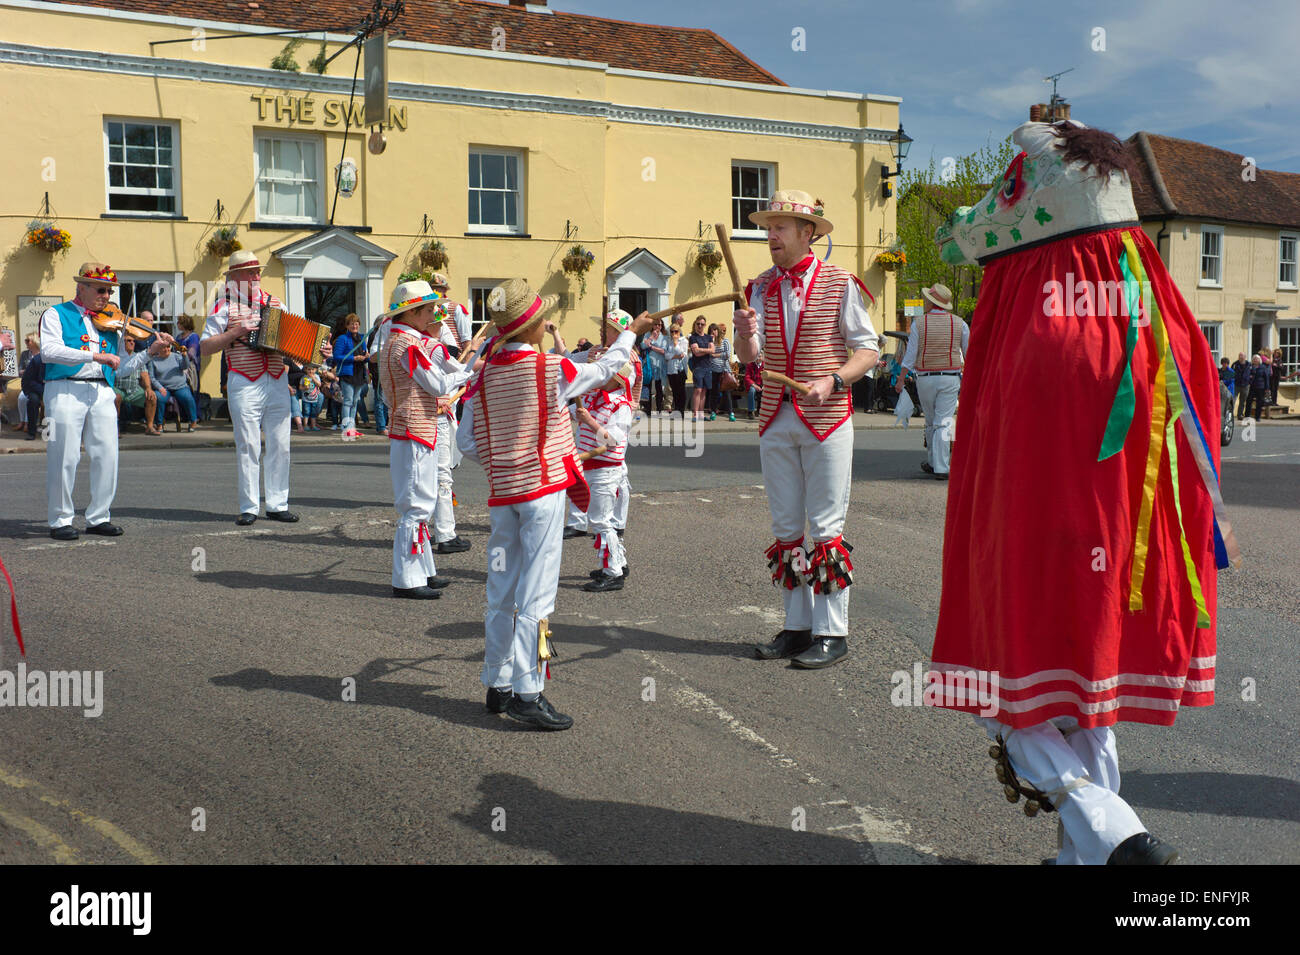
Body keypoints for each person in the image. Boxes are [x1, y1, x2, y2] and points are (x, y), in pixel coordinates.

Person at [927, 120, 1233, 864]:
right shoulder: (1152, 297)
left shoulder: (1038, 296)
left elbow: (960, 239)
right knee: (1082, 684)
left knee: (1005, 675)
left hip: (1050, 510)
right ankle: (1081, 856)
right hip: (1116, 529)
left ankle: (1109, 830)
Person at [457, 279, 650, 731]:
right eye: (542, 317)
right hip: (541, 492)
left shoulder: (482, 374)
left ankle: (497, 684)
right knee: (537, 593)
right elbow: (607, 370)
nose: (548, 322)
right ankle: (528, 692)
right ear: (530, 327)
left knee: (501, 588)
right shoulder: (550, 368)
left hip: (503, 493)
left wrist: (504, 457)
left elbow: (467, 442)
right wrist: (631, 333)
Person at [733, 189, 880, 669]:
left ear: (807, 233)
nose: (770, 234)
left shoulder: (841, 283)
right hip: (775, 414)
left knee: (825, 526)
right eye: (768, 226)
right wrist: (742, 330)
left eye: (781, 226)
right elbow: (750, 358)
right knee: (786, 526)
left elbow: (868, 349)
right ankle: (797, 628)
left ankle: (832, 633)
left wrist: (833, 379)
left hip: (827, 417)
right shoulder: (758, 287)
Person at [41, 262, 176, 539]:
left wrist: (149, 352)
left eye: (110, 291)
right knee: (64, 456)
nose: (107, 296)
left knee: (107, 455)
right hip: (65, 389)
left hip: (102, 390)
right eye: (101, 290)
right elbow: (49, 351)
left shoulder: (110, 324)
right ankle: (60, 519)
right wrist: (93, 356)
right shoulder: (56, 313)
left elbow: (121, 367)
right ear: (82, 288)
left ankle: (99, 516)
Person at [379, 280, 474, 599]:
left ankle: (425, 570)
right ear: (414, 313)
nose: (435, 313)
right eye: (430, 309)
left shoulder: (403, 339)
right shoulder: (407, 345)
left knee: (424, 500)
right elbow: (436, 384)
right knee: (416, 504)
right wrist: (467, 373)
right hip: (412, 429)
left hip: (417, 427)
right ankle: (407, 579)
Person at [200, 250, 298, 526]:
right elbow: (205, 347)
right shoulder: (224, 305)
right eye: (251, 271)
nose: (257, 276)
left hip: (277, 377)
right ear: (235, 277)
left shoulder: (275, 302)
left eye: (258, 271)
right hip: (244, 380)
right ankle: (249, 506)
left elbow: (290, 343)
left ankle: (278, 504)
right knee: (248, 445)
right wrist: (234, 333)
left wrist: (316, 352)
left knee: (281, 444)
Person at [898, 283, 969, 480]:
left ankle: (933, 462)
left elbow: (910, 356)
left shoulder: (918, 323)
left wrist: (901, 378)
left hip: (926, 378)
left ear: (932, 302)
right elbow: (968, 353)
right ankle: (941, 466)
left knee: (930, 422)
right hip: (950, 377)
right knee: (943, 423)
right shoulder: (959, 323)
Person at [577, 356, 635, 592]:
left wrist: (589, 421)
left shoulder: (621, 406)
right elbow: (570, 410)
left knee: (601, 521)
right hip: (590, 466)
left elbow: (611, 440)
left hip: (605, 469)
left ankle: (613, 574)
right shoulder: (591, 396)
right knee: (602, 520)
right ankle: (617, 563)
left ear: (616, 380)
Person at [146, 343, 199, 432]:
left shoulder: (176, 356)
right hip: (163, 387)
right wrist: (160, 387)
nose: (167, 349)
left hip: (180, 386)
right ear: (158, 349)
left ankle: (193, 421)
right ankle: (159, 424)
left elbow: (185, 366)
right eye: (163, 348)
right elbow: (151, 377)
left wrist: (185, 356)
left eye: (168, 347)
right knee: (158, 398)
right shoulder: (153, 360)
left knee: (187, 398)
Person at [331, 313, 368, 438]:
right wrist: (353, 358)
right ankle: (346, 428)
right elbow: (337, 356)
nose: (355, 325)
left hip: (359, 373)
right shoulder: (342, 339)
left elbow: (364, 355)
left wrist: (366, 357)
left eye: (357, 323)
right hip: (347, 373)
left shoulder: (362, 338)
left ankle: (352, 428)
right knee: (348, 401)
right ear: (347, 325)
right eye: (352, 323)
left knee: (355, 401)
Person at [113, 334, 159, 433]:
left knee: (152, 397)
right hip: (118, 388)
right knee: (116, 398)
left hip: (134, 390)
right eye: (128, 340)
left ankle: (150, 426)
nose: (132, 342)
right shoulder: (116, 356)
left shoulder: (137, 356)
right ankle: (114, 428)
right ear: (122, 343)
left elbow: (144, 374)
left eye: (133, 341)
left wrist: (148, 388)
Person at [707, 320, 736, 421]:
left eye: (715, 330)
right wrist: (712, 348)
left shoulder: (725, 341)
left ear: (718, 331)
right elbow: (709, 354)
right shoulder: (710, 343)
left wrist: (715, 355)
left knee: (726, 392)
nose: (713, 332)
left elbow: (727, 354)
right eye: (711, 331)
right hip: (714, 370)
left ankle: (731, 413)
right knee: (713, 392)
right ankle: (713, 412)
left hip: (724, 369)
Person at [688, 316, 714, 420]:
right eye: (698, 323)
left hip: (707, 366)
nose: (700, 326)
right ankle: (695, 414)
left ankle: (701, 414)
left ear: (705, 325)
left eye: (702, 324)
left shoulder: (709, 337)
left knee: (704, 390)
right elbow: (696, 353)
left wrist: (701, 349)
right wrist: (707, 350)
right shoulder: (693, 337)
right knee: (698, 390)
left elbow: (712, 350)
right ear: (695, 324)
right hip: (698, 367)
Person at [19, 335, 43, 440]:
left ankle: (54, 431)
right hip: (35, 388)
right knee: (32, 401)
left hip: (50, 387)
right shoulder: (36, 360)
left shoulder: (54, 359)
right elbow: (27, 379)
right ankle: (31, 432)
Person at [664, 319, 689, 416]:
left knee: (681, 391)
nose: (674, 333)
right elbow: (666, 356)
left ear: (679, 332)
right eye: (672, 331)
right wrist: (674, 356)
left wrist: (675, 343)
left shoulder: (684, 341)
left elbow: (682, 354)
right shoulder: (668, 342)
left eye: (676, 331)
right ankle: (676, 410)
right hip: (671, 370)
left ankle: (681, 411)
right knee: (674, 391)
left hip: (680, 369)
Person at [1245, 353, 1271, 420]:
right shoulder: (1250, 366)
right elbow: (1246, 375)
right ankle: (1247, 416)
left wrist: (1267, 388)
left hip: (1260, 387)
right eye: (1254, 359)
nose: (1255, 360)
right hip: (1252, 386)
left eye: (1257, 359)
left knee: (1259, 402)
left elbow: (1266, 378)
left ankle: (1257, 417)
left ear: (1259, 360)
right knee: (1249, 401)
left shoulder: (1263, 367)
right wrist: (1249, 379)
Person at [1231, 352, 1250, 419]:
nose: (1241, 357)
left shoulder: (1249, 364)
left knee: (1242, 401)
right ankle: (1230, 415)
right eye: (1240, 356)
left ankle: (1240, 415)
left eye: (1242, 356)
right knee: (1233, 400)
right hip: (1236, 385)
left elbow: (1253, 373)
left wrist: (1249, 380)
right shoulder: (1235, 364)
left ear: (1245, 357)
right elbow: (1231, 374)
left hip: (1245, 385)